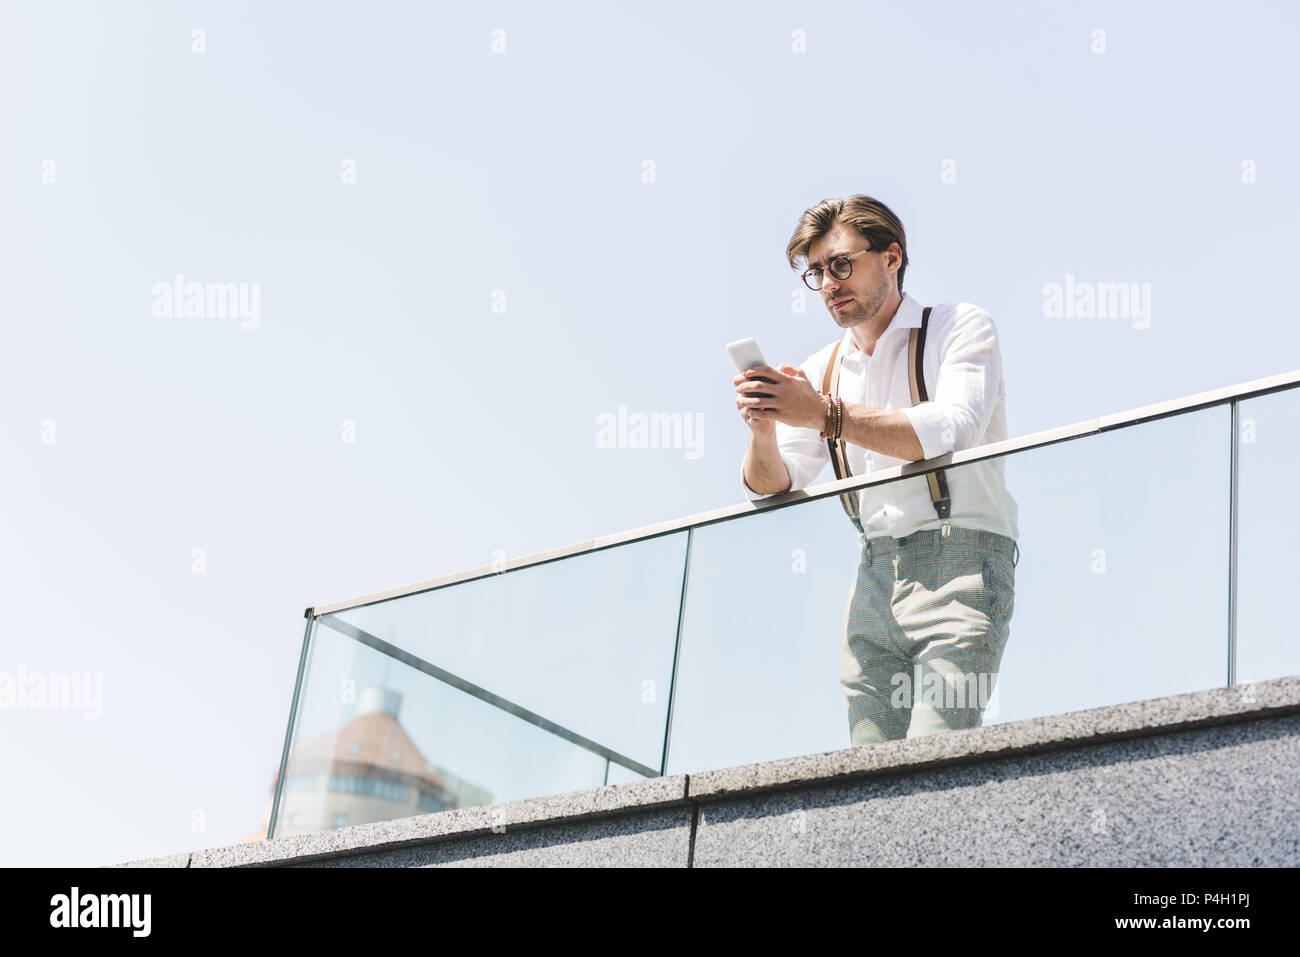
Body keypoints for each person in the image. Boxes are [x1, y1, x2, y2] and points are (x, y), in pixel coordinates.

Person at [735, 195, 1019, 746]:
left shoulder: (958, 327)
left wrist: (821, 412)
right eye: (816, 271)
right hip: (872, 575)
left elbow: (950, 428)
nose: (828, 284)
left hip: (964, 561)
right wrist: (764, 429)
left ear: (892, 258)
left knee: (937, 752)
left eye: (841, 264)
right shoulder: (822, 369)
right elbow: (777, 482)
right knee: (868, 771)